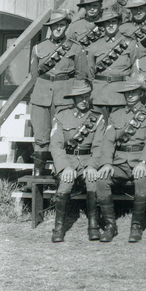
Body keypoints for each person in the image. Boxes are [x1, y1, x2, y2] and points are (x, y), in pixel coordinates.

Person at [94, 77, 146, 243]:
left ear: (140, 93)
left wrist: (144, 162)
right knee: (102, 180)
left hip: (139, 160)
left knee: (141, 180)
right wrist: (107, 163)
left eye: (134, 92)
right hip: (119, 162)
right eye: (127, 93)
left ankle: (136, 226)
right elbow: (108, 141)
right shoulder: (115, 115)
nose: (130, 95)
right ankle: (110, 226)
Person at [30, 9, 91, 178]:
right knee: (41, 136)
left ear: (66, 27)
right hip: (41, 97)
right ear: (50, 27)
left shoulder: (76, 48)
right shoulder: (38, 48)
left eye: (62, 25)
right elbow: (34, 74)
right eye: (55, 25)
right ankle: (38, 174)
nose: (59, 29)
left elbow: (80, 75)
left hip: (65, 98)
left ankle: (64, 171)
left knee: (65, 135)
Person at [48, 80, 106, 242]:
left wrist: (92, 165)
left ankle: (93, 226)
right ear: (73, 98)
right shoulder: (61, 116)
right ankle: (58, 229)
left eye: (86, 96)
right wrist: (65, 167)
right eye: (79, 97)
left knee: (92, 181)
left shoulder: (97, 118)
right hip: (67, 160)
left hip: (88, 160)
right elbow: (56, 145)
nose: (83, 100)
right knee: (65, 183)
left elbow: (99, 146)